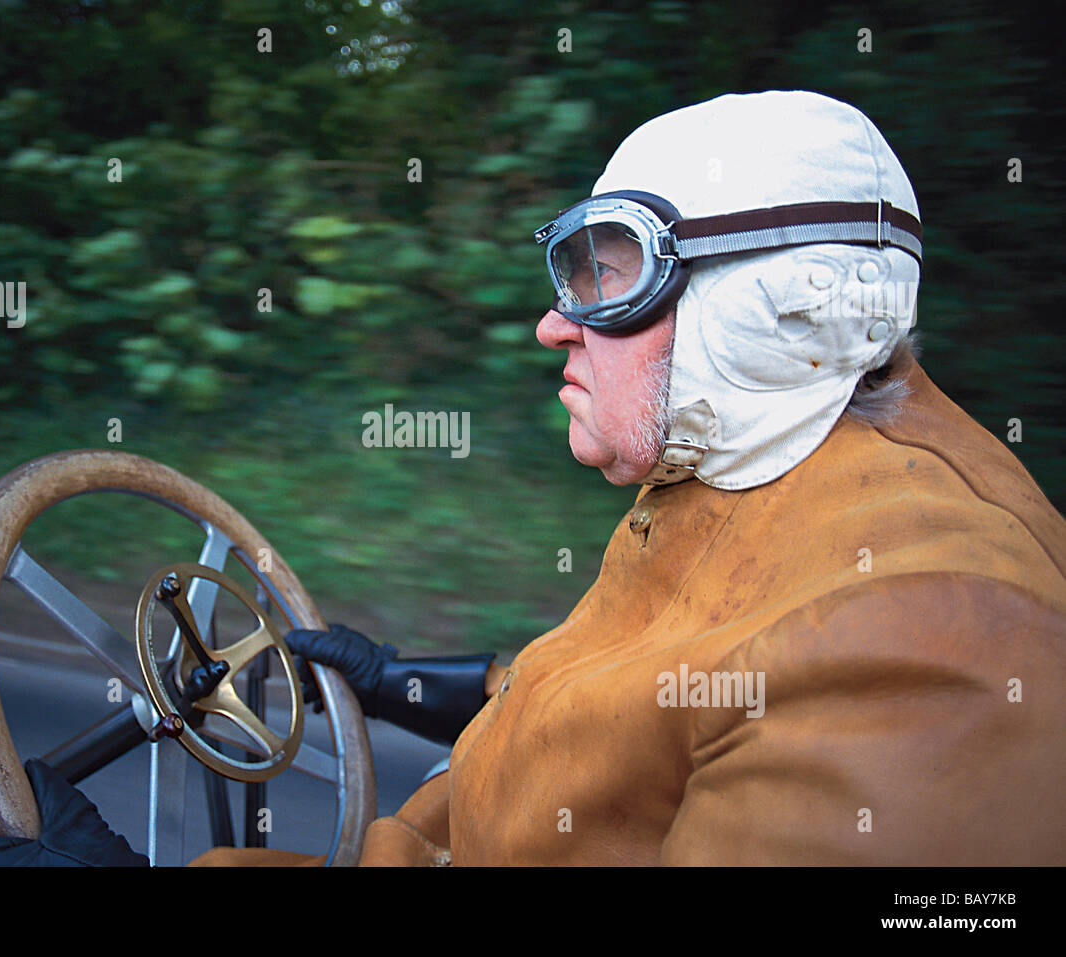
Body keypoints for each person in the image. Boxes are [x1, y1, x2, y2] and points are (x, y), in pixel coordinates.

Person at [197, 89, 1066, 865]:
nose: (552, 325)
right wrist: (410, 682)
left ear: (768, 306)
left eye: (609, 274)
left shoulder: (925, 647)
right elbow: (649, 705)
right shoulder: (735, 460)